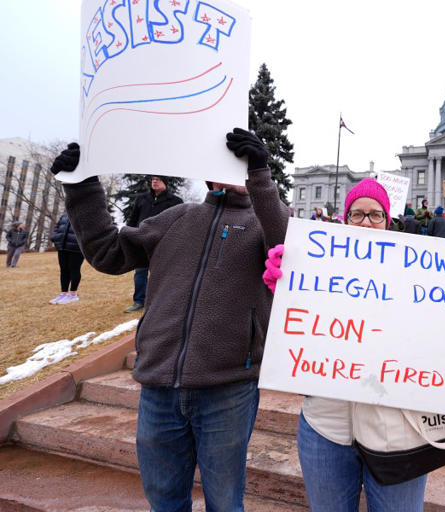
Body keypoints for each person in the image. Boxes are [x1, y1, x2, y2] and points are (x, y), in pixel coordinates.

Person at [49, 128, 289, 511]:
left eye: (243, 164)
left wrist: (260, 176)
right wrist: (82, 187)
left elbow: (286, 249)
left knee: (225, 502)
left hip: (228, 387)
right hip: (160, 385)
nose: (235, 172)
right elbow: (108, 253)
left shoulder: (269, 224)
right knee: (163, 500)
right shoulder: (176, 218)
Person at [260, 178, 445, 511]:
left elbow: (441, 329)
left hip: (398, 431)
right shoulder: (319, 269)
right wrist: (285, 285)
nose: (366, 222)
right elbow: (300, 329)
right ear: (345, 219)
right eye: (357, 214)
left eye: (375, 215)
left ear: (387, 222)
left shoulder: (413, 273)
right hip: (325, 427)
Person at [124, 176, 183, 313]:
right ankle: (139, 301)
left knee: (161, 274)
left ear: (165, 183)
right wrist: (129, 234)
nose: (154, 182)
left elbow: (180, 225)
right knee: (140, 273)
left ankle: (160, 301)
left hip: (163, 243)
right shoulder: (141, 199)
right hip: (141, 242)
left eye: (158, 180)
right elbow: (133, 220)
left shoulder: (175, 201)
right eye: (153, 180)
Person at [49, 213, 85, 304]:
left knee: (74, 269)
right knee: (64, 270)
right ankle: (63, 293)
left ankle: (73, 294)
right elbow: (57, 227)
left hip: (76, 247)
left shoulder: (85, 213)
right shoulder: (65, 215)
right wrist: (55, 237)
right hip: (62, 246)